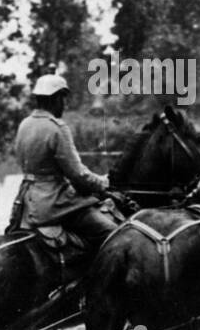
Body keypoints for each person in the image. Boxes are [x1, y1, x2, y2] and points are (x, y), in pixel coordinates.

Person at [9, 74, 133, 252]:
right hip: (53, 203)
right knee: (114, 234)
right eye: (63, 99)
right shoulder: (57, 128)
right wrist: (103, 183)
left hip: (25, 201)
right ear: (56, 99)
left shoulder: (25, 124)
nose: (64, 105)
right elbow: (77, 174)